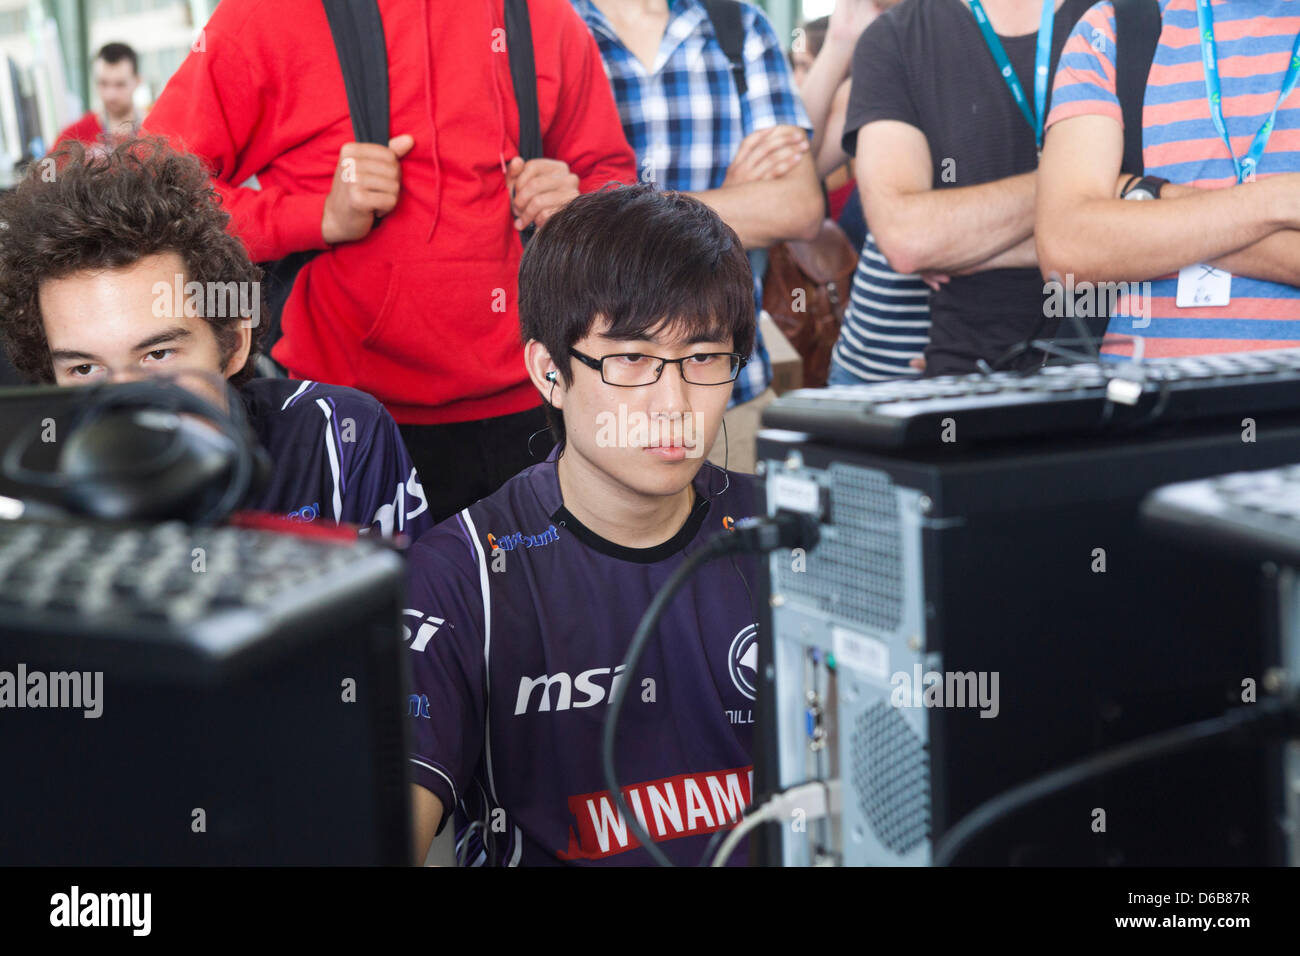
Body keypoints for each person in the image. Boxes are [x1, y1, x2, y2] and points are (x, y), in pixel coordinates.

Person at [142, 0, 637, 523]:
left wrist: (576, 199)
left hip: (540, 406)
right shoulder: (268, 16)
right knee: (374, 604)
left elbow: (613, 177)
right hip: (349, 421)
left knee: (540, 603)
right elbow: (153, 189)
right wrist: (316, 216)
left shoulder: (547, 16)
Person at [406, 184, 764, 866]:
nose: (674, 404)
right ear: (549, 372)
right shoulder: (464, 572)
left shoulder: (786, 535)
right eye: (631, 359)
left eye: (704, 358)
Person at [0, 139, 431, 540]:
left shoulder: (339, 438)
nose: (124, 403)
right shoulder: (32, 495)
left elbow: (409, 611)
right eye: (85, 368)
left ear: (234, 344)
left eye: (158, 354)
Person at [571, 0, 823, 472]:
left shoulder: (740, 25)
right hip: (598, 402)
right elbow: (550, 222)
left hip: (730, 394)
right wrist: (726, 203)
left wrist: (616, 214)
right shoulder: (550, 28)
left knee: (743, 540)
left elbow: (800, 207)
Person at [847, 0, 1097, 376]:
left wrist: (968, 247)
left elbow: (1168, 214)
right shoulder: (896, 36)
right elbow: (907, 238)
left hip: (1123, 354)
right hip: (968, 368)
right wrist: (1094, 190)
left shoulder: (1126, 15)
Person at [1037, 0, 1300, 356]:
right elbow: (1068, 248)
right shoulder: (1113, 26)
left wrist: (1149, 197)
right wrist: (1278, 201)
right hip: (1139, 400)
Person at [796, 0, 931, 383]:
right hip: (867, 355)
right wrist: (839, 43)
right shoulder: (885, 69)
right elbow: (793, 164)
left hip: (972, 350)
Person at [53, 43, 142, 152]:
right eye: (103, 83)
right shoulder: (72, 137)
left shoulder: (157, 129)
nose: (111, 95)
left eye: (120, 84)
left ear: (137, 82)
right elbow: (46, 168)